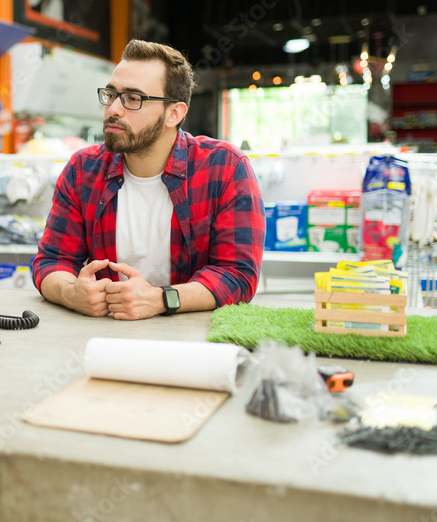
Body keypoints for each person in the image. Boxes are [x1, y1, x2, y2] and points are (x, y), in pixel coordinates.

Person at [32, 39, 264, 320]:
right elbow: (52, 261)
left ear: (174, 114)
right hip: (104, 340)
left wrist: (161, 299)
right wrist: (72, 293)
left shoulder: (225, 167)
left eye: (133, 98)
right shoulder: (83, 170)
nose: (114, 109)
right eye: (111, 94)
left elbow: (238, 275)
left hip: (196, 345)